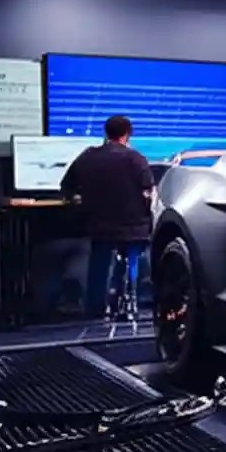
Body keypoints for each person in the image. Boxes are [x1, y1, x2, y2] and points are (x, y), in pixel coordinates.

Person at [60, 115, 155, 321]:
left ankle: (95, 309)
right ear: (127, 134)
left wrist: (78, 200)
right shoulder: (135, 158)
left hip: (99, 225)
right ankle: (131, 306)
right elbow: (148, 191)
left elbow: (66, 187)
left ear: (106, 133)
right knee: (134, 261)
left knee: (99, 264)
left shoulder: (88, 156)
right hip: (133, 225)